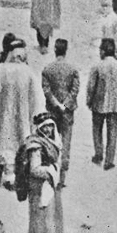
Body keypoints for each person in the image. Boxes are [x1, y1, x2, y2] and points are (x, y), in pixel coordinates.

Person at [0, 39, 41, 187]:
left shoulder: (0, 69)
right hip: (21, 118)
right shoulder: (28, 72)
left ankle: (0, 172)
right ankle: (15, 175)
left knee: (0, 143)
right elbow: (35, 99)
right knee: (20, 142)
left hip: (0, 117)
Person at [21, 110, 65, 233]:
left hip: (48, 187)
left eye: (50, 127)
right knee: (41, 223)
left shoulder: (51, 141)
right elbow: (34, 169)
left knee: (42, 221)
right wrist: (51, 170)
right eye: (44, 127)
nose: (48, 130)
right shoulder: (36, 146)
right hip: (39, 188)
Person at [85, 39, 117, 171]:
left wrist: (89, 101)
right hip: (115, 105)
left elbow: (90, 87)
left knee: (97, 129)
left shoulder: (97, 66)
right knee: (113, 133)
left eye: (100, 50)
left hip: (99, 104)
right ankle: (109, 161)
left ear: (104, 51)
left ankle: (98, 155)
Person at [41, 39, 79, 188]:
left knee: (52, 142)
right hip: (68, 112)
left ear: (55, 50)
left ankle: (52, 173)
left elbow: (46, 91)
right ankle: (62, 178)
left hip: (52, 110)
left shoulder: (47, 69)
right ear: (66, 50)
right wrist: (65, 104)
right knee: (66, 144)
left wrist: (56, 104)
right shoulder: (73, 69)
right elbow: (75, 90)